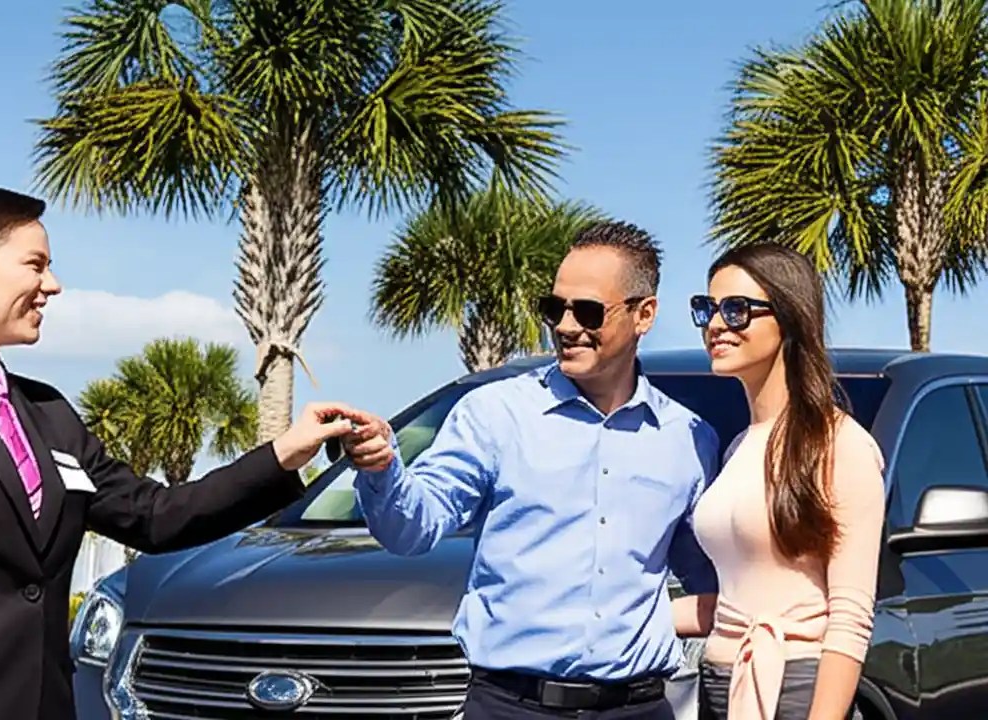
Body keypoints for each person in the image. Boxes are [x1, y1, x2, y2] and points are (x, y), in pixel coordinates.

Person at [0, 184, 359, 720]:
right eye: (35, 264)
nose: (52, 285)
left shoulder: (47, 412)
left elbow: (154, 516)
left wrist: (283, 454)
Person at [340, 221, 721, 719]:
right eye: (554, 307)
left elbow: (714, 577)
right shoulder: (495, 414)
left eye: (586, 310)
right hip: (509, 707)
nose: (564, 326)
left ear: (644, 314)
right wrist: (382, 468)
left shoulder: (688, 439)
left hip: (640, 707)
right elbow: (411, 529)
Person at [688, 243, 883, 720]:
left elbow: (851, 617)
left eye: (735, 310)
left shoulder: (840, 444)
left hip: (797, 692)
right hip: (720, 687)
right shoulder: (736, 448)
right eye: (707, 308)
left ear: (789, 317)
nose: (716, 324)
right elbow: (738, 595)